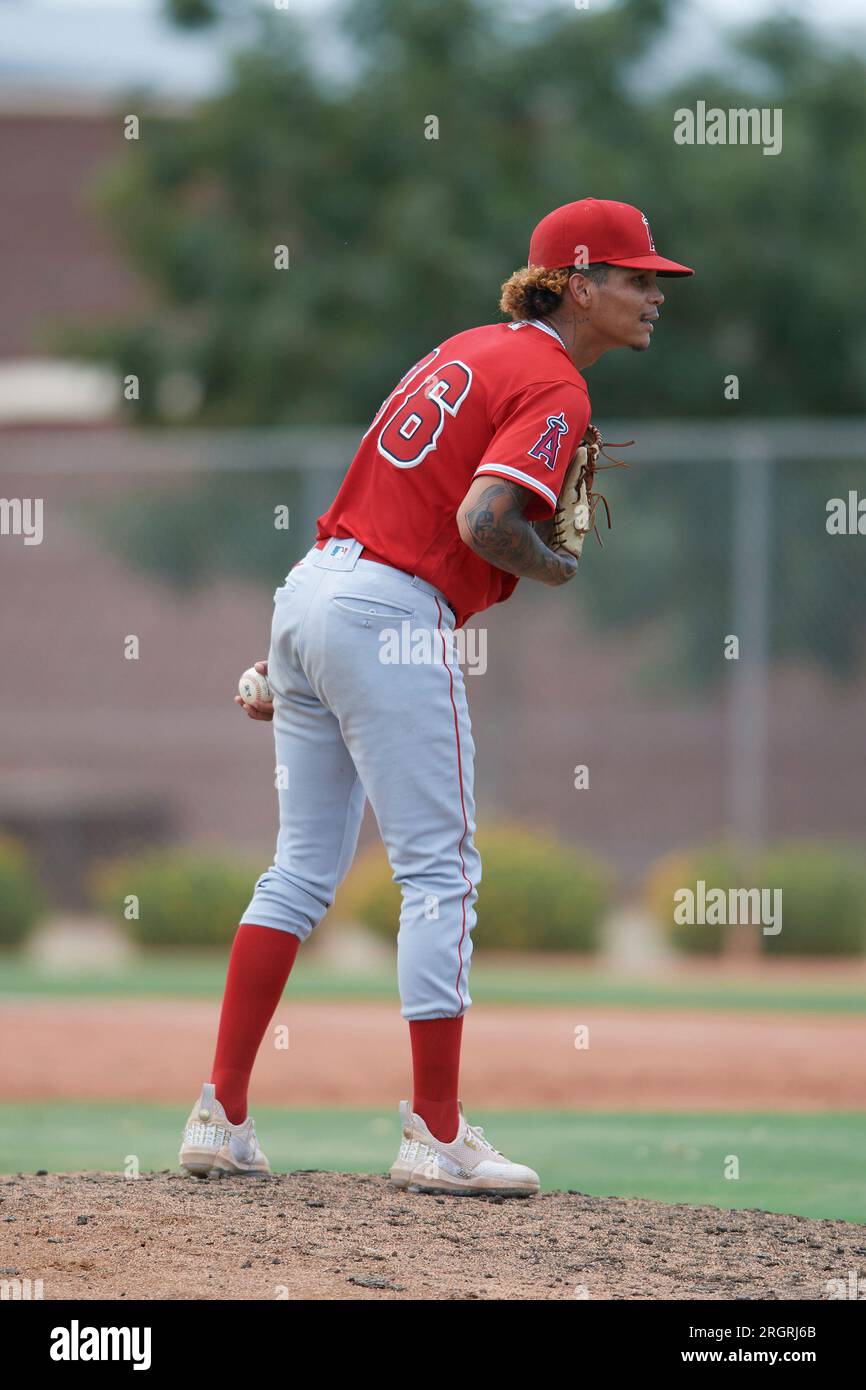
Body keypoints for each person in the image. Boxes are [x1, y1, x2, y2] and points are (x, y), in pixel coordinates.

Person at [179, 197, 693, 1195]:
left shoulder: (462, 350)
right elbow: (480, 518)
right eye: (635, 278)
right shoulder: (554, 384)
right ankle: (437, 1132)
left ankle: (221, 1113)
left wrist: (289, 657)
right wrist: (550, 565)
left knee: (296, 875)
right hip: (387, 614)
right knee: (440, 874)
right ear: (578, 284)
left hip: (314, 588)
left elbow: (382, 502)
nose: (651, 296)